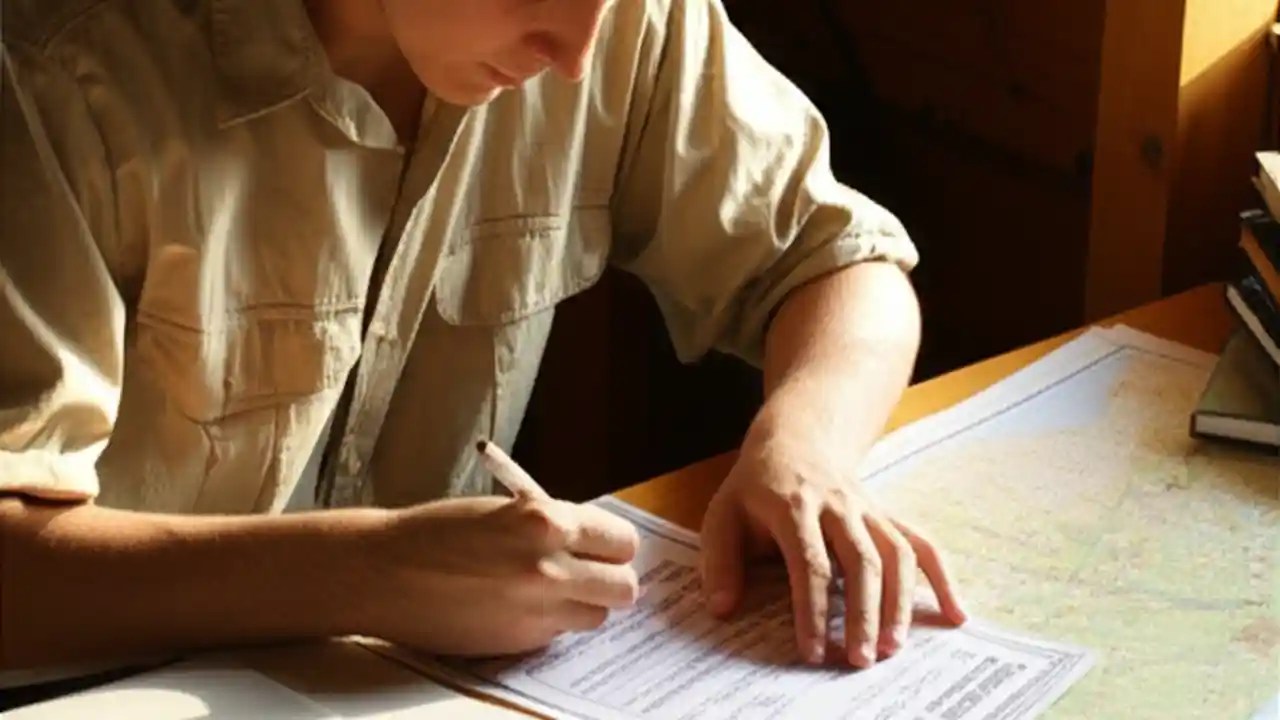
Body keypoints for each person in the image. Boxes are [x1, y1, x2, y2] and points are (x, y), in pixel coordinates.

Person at [0, 0, 966, 682]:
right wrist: (362, 575)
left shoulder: (613, 17)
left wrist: (803, 444)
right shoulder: (55, 66)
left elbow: (842, 263)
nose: (581, 50)